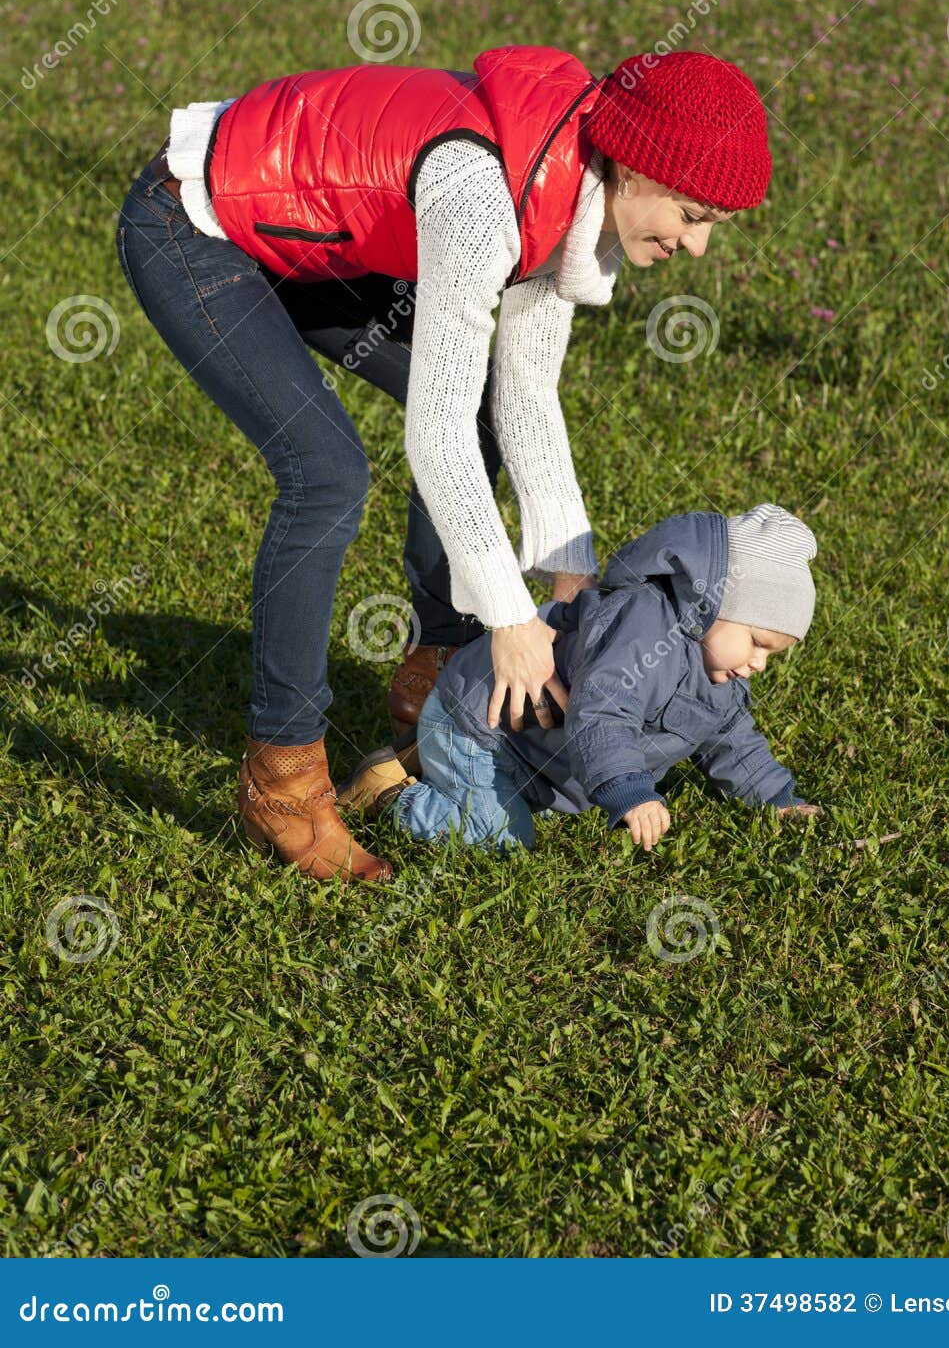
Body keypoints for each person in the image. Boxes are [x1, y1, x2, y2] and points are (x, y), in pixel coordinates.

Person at [114, 46, 772, 882]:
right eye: (691, 213)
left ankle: (439, 680)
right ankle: (281, 778)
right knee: (326, 475)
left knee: (490, 407)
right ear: (633, 168)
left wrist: (571, 581)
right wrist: (512, 619)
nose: (698, 244)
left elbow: (525, 398)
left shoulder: (579, 197)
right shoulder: (482, 196)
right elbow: (436, 431)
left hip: (310, 241)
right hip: (193, 224)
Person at [341, 503, 820, 853]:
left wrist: (777, 799)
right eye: (756, 642)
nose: (758, 663)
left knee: (517, 812)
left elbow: (732, 740)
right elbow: (602, 715)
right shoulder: (642, 631)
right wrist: (630, 790)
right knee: (502, 835)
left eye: (770, 654)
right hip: (482, 731)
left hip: (530, 761)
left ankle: (427, 758)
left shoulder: (720, 675)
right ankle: (391, 796)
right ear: (713, 604)